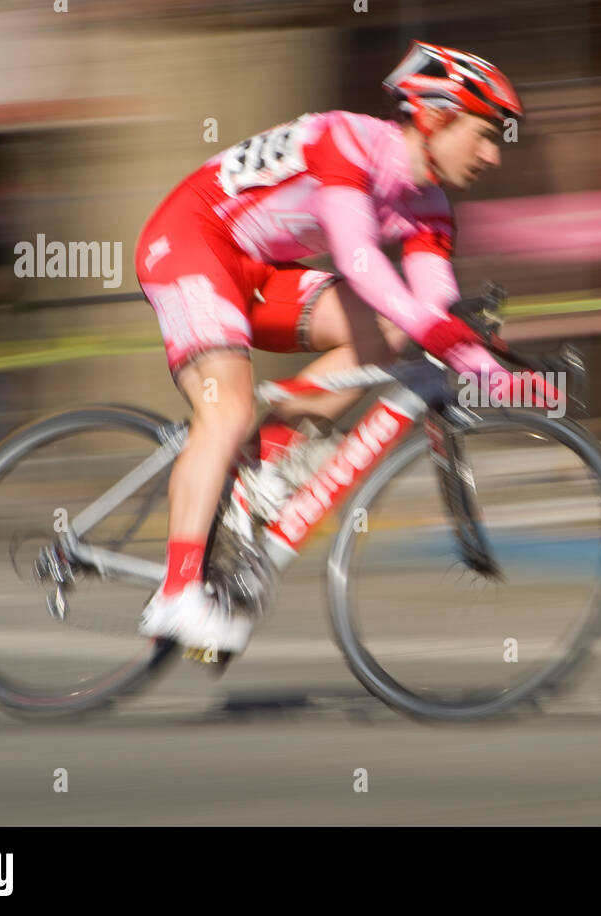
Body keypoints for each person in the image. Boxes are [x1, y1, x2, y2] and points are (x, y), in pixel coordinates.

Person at [134, 41, 541, 654]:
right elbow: (357, 257)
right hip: (191, 240)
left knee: (397, 332)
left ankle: (261, 471)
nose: (492, 156)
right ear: (434, 116)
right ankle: (177, 594)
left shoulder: (430, 204)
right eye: (484, 135)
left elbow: (433, 311)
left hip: (258, 269)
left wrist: (496, 376)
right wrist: (447, 340)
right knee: (227, 410)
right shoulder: (347, 140)